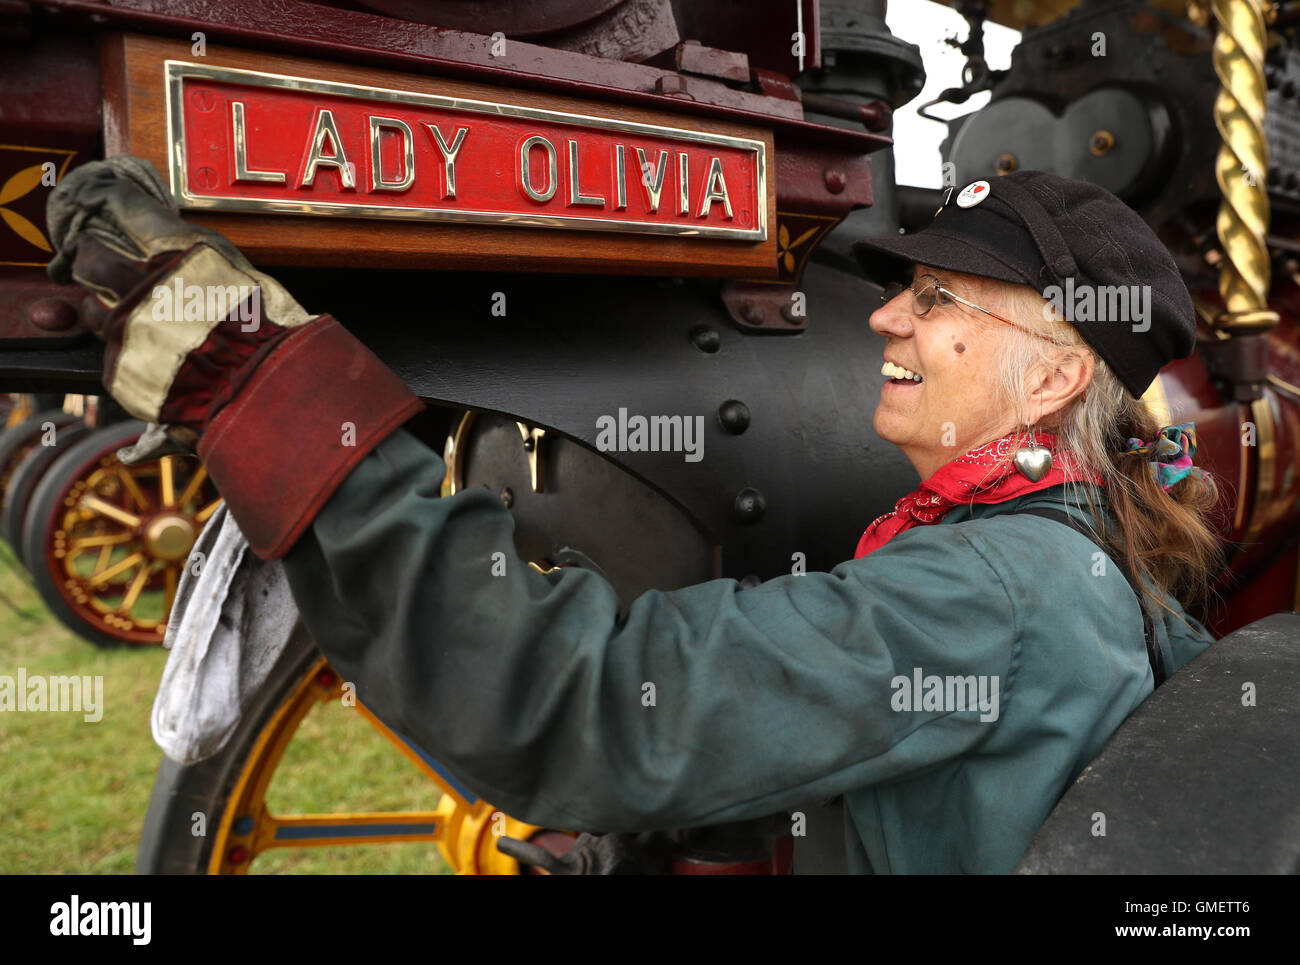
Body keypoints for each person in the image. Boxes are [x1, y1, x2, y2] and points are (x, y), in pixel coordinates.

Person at [46, 160, 1222, 874]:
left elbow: (594, 701)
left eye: (938, 298)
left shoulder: (987, 590)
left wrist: (259, 386)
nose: (885, 322)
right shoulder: (1079, 552)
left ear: (1059, 376)